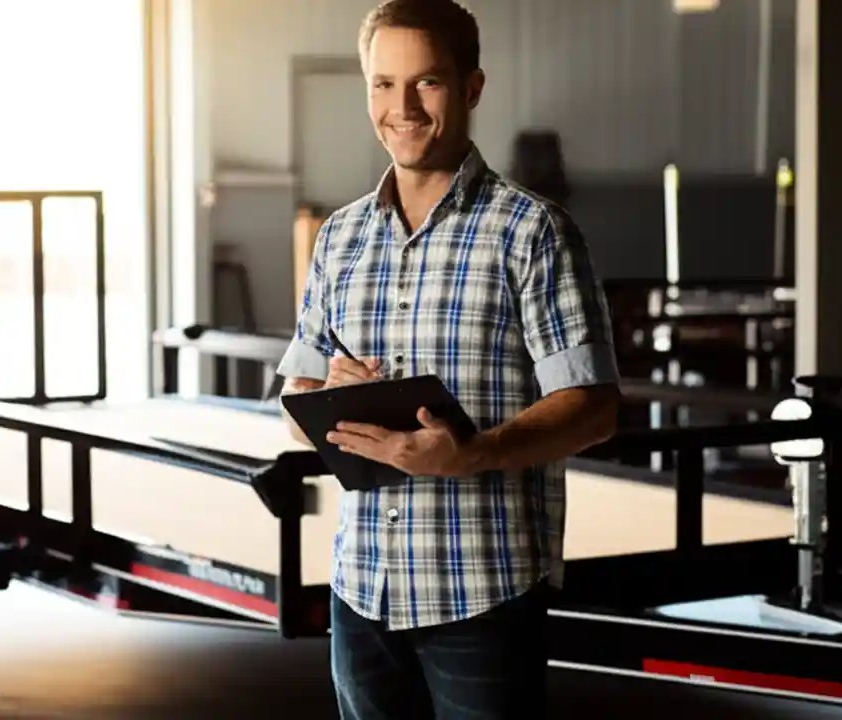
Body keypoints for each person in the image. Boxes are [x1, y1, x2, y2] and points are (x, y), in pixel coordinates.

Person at [276, 1, 621, 718]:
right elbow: (295, 403)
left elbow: (593, 407)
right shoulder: (339, 239)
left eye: (426, 83)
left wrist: (475, 453)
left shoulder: (533, 233)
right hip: (361, 589)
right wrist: (331, 401)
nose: (400, 108)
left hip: (481, 595)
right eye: (382, 84)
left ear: (471, 88)